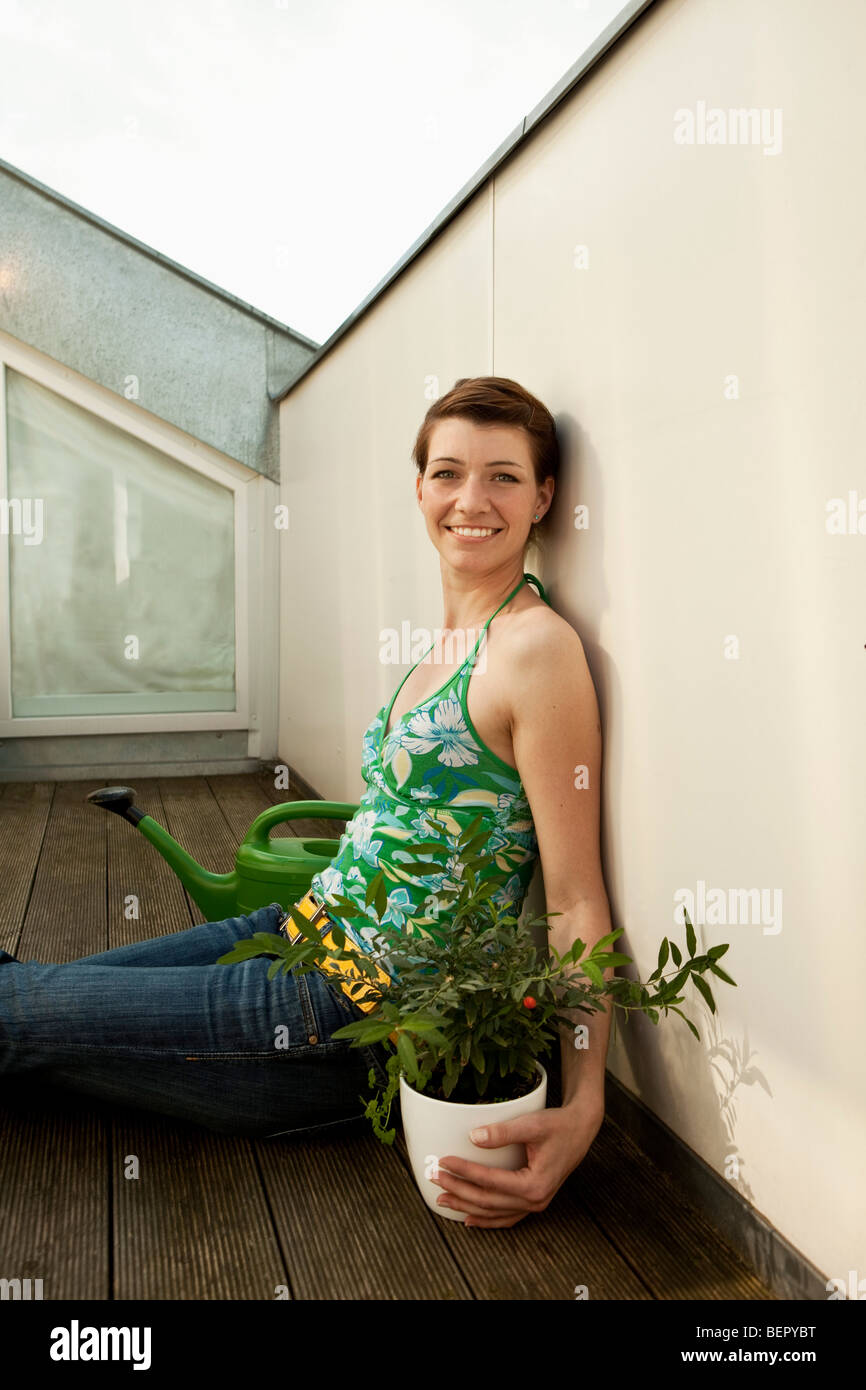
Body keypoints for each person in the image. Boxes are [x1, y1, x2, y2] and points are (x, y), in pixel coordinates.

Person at [0, 376, 614, 1229]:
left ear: (545, 497)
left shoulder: (536, 650)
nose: (472, 499)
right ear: (420, 488)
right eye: (448, 472)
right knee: (22, 991)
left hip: (344, 1018)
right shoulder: (447, 642)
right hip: (294, 934)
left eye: (504, 476)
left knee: (17, 1014)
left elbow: (578, 899)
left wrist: (586, 1107)